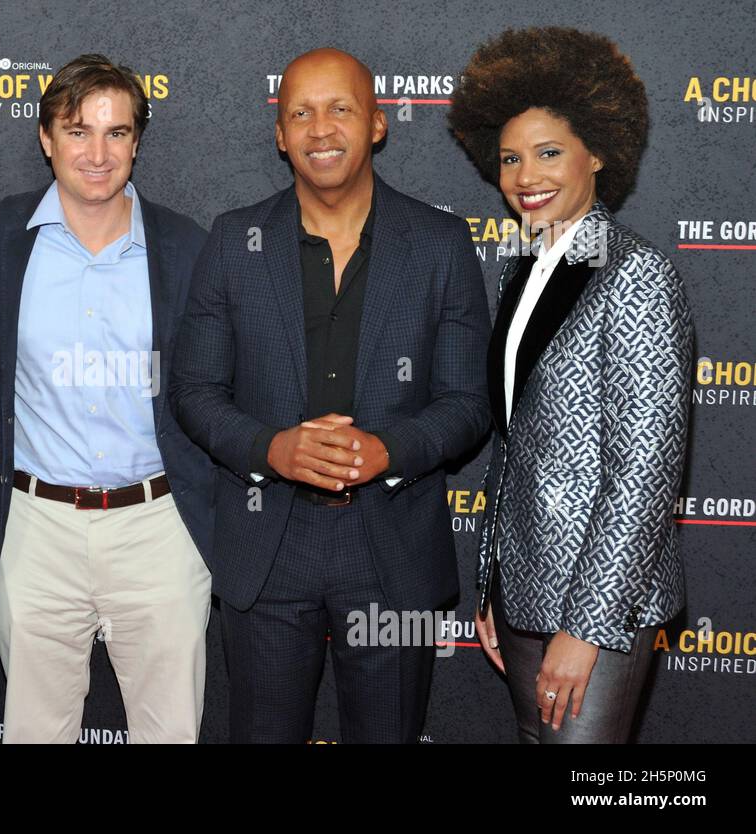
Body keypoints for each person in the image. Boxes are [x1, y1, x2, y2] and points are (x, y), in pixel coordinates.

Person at [170, 48, 492, 743]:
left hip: (392, 549)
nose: (321, 130)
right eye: (301, 113)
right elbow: (193, 390)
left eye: (339, 108)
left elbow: (469, 401)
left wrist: (389, 449)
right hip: (268, 547)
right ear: (280, 134)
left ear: (377, 123)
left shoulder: (439, 244)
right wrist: (270, 448)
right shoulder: (234, 241)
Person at [449, 27, 693, 743]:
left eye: (549, 152)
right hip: (522, 587)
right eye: (510, 158)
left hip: (599, 604)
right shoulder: (522, 266)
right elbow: (515, 443)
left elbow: (645, 474)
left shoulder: (634, 274)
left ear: (598, 152)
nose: (526, 175)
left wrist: (585, 627)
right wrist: (492, 578)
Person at [0, 54, 214, 744]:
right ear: (46, 138)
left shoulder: (187, 247)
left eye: (117, 133)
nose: (97, 154)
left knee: (172, 732)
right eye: (78, 131)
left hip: (157, 524)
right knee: (36, 732)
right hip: (34, 527)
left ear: (137, 141)